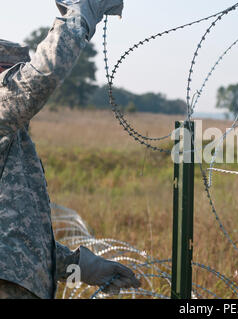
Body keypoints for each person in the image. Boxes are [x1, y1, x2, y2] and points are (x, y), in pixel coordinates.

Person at [0, 0, 140, 299]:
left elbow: (18, 242)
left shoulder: (13, 137)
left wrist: (79, 266)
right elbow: (40, 78)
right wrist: (81, 14)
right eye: (10, 73)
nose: (13, 81)